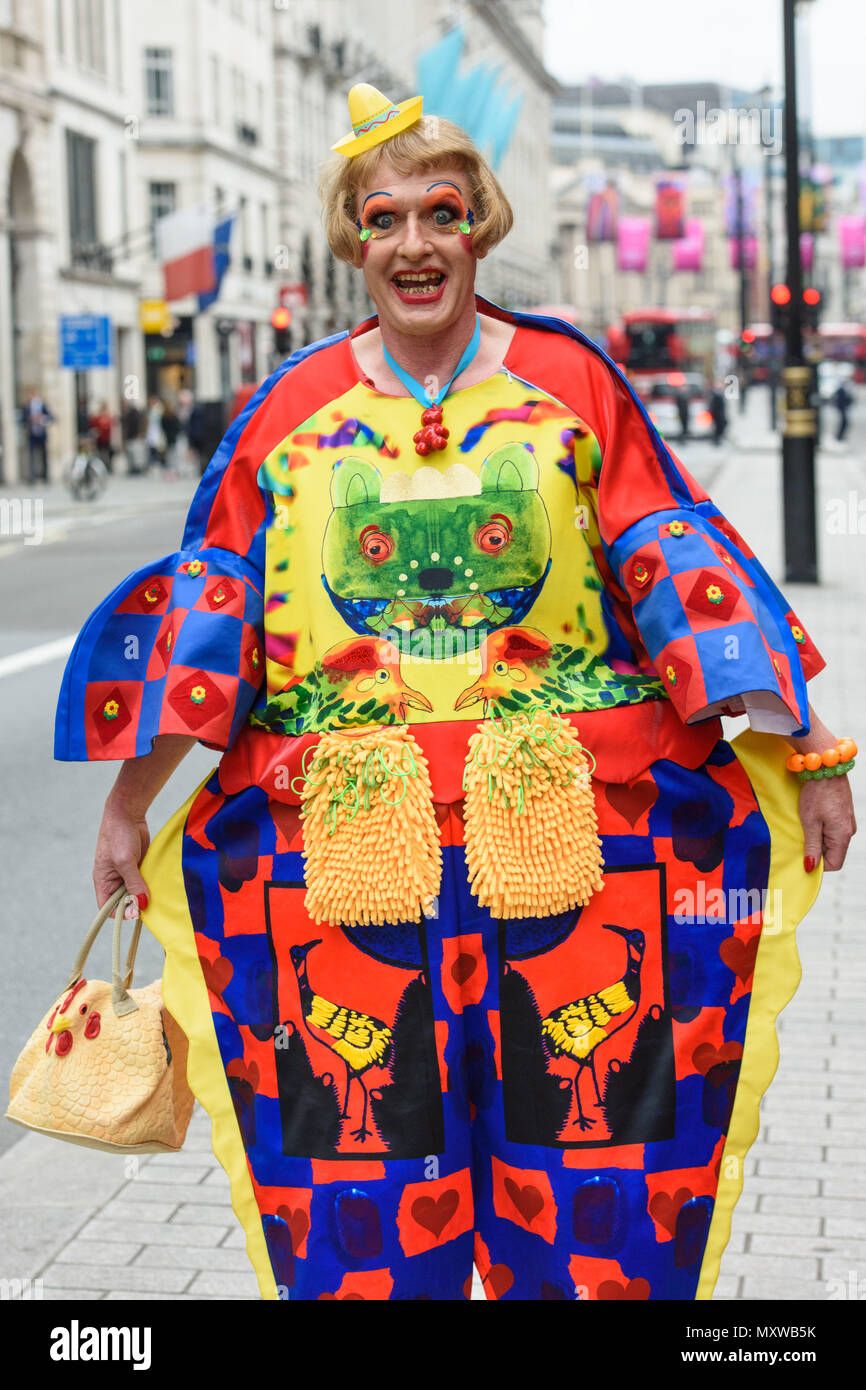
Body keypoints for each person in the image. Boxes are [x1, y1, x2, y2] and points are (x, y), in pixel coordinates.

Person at [54, 86, 855, 1302]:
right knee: (360, 1179)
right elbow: (214, 626)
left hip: (569, 856)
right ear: (352, 239)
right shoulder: (287, 410)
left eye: (440, 214)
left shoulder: (566, 381)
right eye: (384, 219)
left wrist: (809, 744)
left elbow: (671, 560)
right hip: (344, 866)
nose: (413, 244)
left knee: (595, 1166)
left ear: (478, 227)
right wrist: (130, 803)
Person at [21, 388, 53, 484]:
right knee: (32, 456)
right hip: (32, 434)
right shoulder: (27, 407)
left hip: (42, 434)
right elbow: (23, 420)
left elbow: (51, 417)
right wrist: (30, 420)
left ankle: (45, 477)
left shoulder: (43, 405)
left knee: (44, 456)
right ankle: (32, 477)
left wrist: (42, 419)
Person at [89, 401, 115, 473]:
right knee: (100, 454)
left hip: (107, 439)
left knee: (108, 454)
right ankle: (101, 468)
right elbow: (93, 425)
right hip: (100, 440)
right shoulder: (98, 418)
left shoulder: (108, 417)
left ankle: (108, 467)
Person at [145, 394, 166, 469]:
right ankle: (153, 464)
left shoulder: (159, 409)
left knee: (158, 449)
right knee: (152, 449)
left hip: (157, 431)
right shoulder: (152, 410)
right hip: (152, 431)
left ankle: (159, 463)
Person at [709, 381, 728, 446]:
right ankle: (716, 440)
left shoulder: (719, 395)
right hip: (717, 415)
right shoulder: (716, 396)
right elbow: (713, 407)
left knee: (720, 427)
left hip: (720, 415)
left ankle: (718, 439)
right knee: (717, 428)